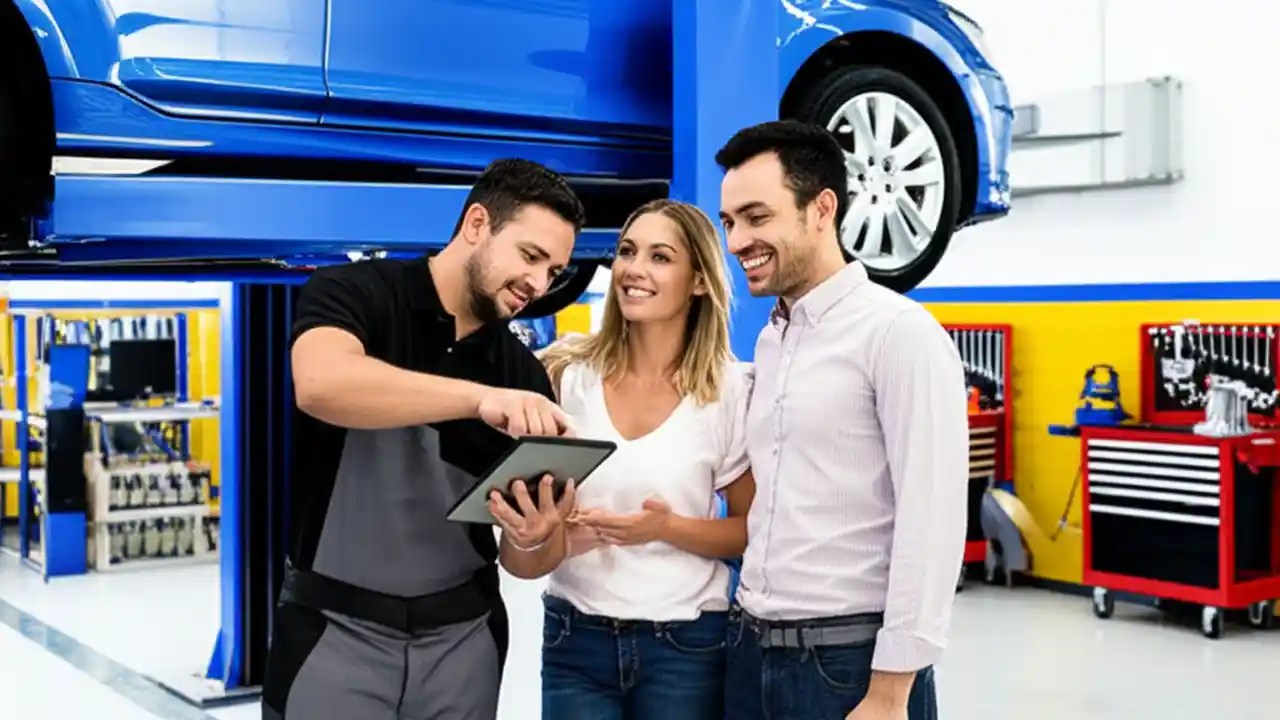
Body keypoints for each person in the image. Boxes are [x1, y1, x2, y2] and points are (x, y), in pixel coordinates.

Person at [262, 158, 586, 720]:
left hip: (463, 644)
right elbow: (320, 384)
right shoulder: (354, 293)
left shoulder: (523, 376)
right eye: (531, 256)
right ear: (477, 224)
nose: (539, 283)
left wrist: (537, 537)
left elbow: (528, 562)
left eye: (554, 271)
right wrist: (478, 399)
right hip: (333, 632)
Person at [714, 120, 969, 720]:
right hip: (750, 652)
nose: (736, 241)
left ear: (821, 208)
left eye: (756, 217)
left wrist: (891, 689)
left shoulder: (897, 333)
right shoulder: (773, 342)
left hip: (847, 666)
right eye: (729, 223)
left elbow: (931, 520)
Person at [503, 198, 755, 720]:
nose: (634, 269)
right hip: (576, 640)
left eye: (661, 257)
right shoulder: (566, 378)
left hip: (688, 647)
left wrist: (662, 529)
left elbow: (750, 531)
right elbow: (518, 559)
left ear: (700, 280)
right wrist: (556, 537)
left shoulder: (728, 391)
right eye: (626, 251)